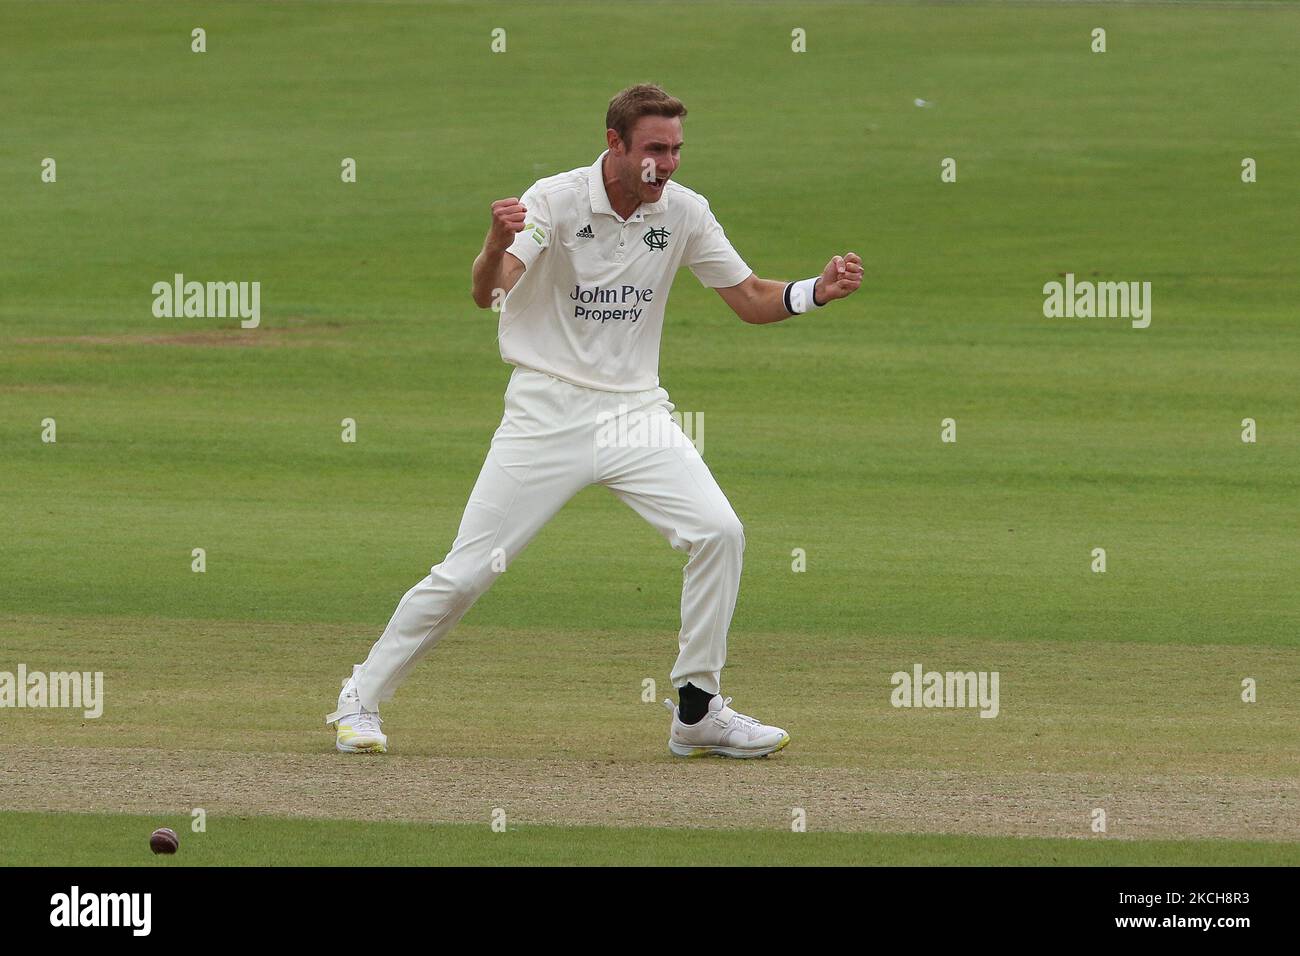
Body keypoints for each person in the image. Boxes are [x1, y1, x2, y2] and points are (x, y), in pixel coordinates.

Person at [327, 83, 863, 758]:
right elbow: (488, 292)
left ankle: (697, 713)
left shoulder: (685, 213)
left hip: (635, 413)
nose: (665, 165)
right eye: (653, 149)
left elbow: (752, 298)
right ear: (615, 144)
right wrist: (496, 244)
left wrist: (816, 291)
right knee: (470, 571)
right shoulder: (554, 200)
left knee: (718, 532)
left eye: (674, 150)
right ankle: (360, 698)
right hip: (546, 411)